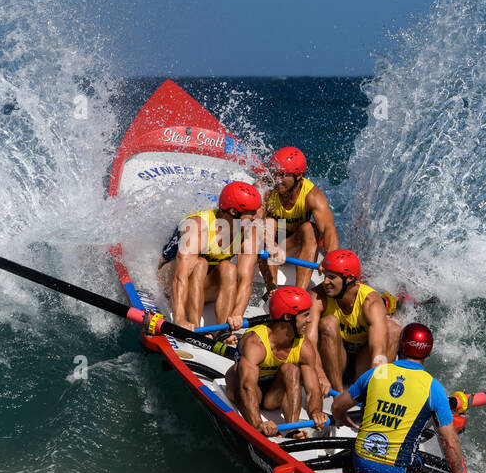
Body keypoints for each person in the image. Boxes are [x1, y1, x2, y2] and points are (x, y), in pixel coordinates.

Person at [330, 323, 471, 473]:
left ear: (401, 345)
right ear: (428, 351)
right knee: (418, 461)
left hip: (361, 466)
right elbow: (450, 442)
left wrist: (341, 418)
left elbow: (337, 406)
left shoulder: (376, 373)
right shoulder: (433, 388)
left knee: (355, 452)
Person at [224, 287, 329, 438]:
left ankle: (292, 430)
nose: (310, 320)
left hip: (272, 397)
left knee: (292, 370)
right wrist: (259, 424)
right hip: (243, 391)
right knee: (235, 372)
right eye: (305, 315)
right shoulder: (255, 343)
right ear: (287, 317)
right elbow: (246, 387)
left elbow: (313, 389)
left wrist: (316, 412)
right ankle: (257, 425)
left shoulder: (303, 345)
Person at [159, 181, 262, 333]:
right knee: (200, 263)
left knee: (229, 268)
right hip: (168, 283)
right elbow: (179, 278)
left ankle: (224, 332)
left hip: (202, 288)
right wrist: (180, 319)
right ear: (234, 211)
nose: (256, 217)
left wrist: (237, 314)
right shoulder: (199, 228)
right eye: (252, 213)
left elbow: (246, 282)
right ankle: (197, 329)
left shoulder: (248, 233)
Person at [307, 249, 400, 394]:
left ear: (349, 278)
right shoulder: (318, 296)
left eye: (331, 277)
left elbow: (378, 351)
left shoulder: (371, 301)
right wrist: (319, 374)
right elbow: (309, 343)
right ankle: (338, 394)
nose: (325, 282)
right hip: (332, 360)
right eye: (325, 276)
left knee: (393, 329)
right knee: (328, 323)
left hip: (362, 364)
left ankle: (376, 392)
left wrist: (377, 388)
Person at [259, 147, 339, 291]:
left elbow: (329, 229)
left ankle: (300, 292)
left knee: (310, 229)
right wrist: (270, 243)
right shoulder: (265, 188)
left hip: (290, 247)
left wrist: (331, 262)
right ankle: (272, 289)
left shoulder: (313, 196)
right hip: (264, 246)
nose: (276, 180)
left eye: (283, 175)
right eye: (274, 173)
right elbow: (251, 221)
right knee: (269, 222)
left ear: (298, 176)